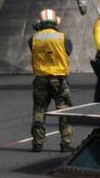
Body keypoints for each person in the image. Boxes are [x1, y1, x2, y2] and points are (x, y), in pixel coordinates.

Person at [29, 8, 74, 153]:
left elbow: (32, 49)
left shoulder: (34, 39)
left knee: (39, 111)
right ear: (55, 22)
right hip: (59, 80)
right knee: (64, 110)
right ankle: (66, 143)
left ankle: (38, 143)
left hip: (41, 79)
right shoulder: (63, 37)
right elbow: (68, 51)